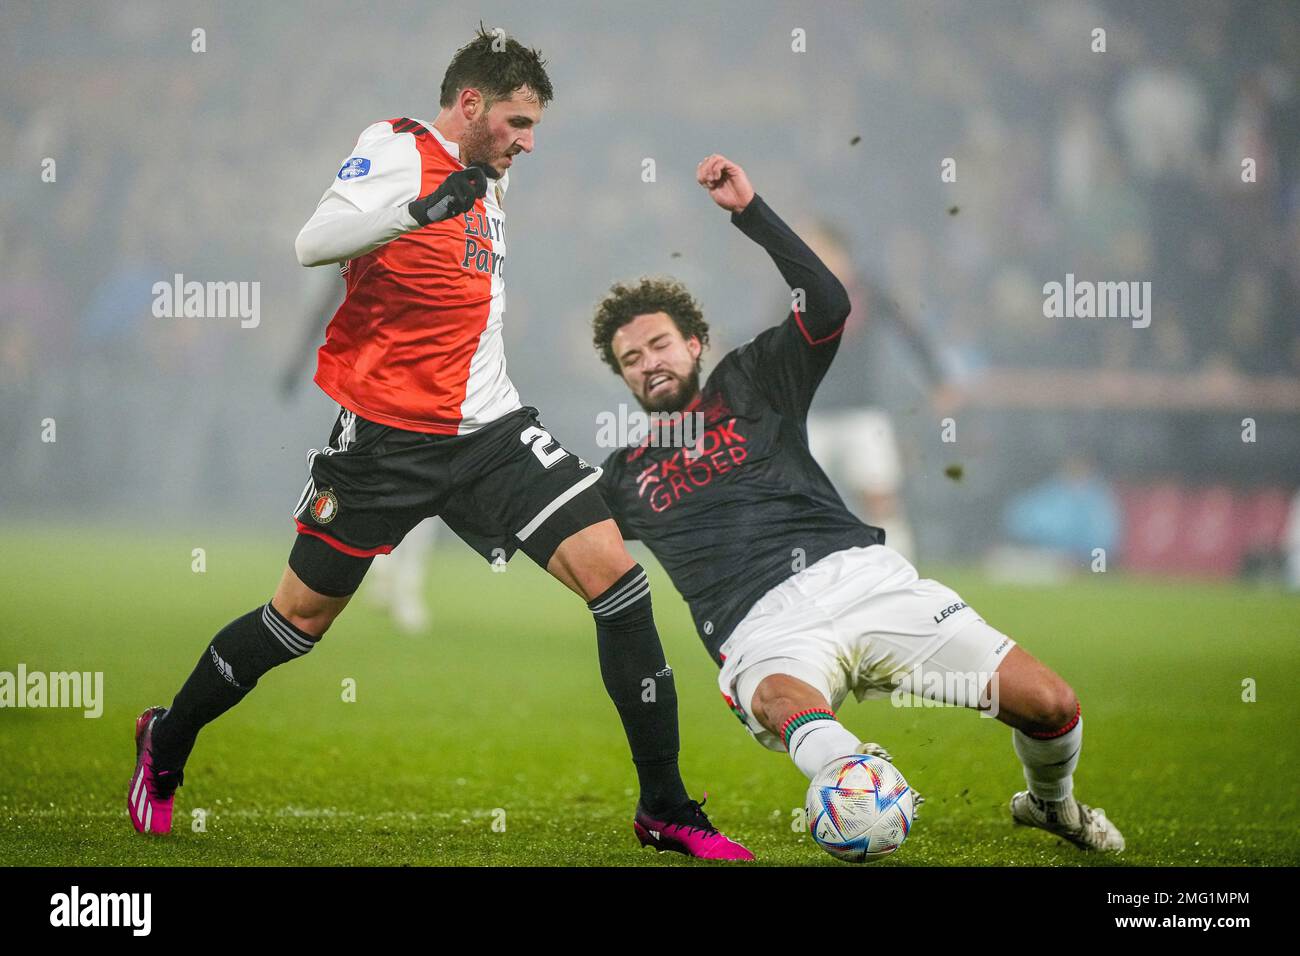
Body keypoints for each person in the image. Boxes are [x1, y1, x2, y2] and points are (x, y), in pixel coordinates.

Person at [128, 27, 750, 862]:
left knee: (620, 584)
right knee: (296, 623)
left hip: (492, 434)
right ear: (470, 104)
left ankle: (666, 807)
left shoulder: (488, 181)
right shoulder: (395, 149)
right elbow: (312, 243)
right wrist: (415, 209)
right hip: (386, 442)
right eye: (518, 124)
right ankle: (165, 743)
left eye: (534, 128)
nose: (527, 143)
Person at [589, 154, 1125, 852]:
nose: (649, 362)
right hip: (762, 632)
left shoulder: (751, 379)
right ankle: (852, 778)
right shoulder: (624, 475)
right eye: (631, 358)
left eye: (659, 343)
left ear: (694, 343)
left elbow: (829, 301)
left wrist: (751, 212)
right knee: (783, 699)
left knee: (1051, 705)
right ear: (622, 376)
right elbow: (544, 532)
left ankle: (1051, 804)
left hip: (863, 580)